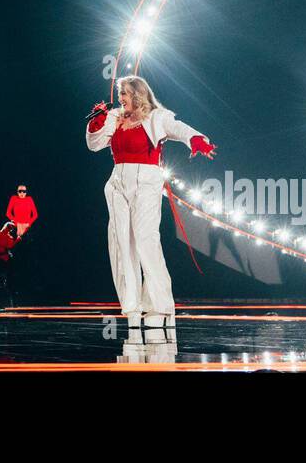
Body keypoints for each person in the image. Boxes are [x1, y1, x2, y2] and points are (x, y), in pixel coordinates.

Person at [86, 75, 216, 334]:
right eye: (120, 94)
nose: (120, 98)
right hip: (118, 183)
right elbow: (94, 144)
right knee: (122, 243)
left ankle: (160, 307)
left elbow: (180, 129)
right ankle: (132, 308)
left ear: (137, 94)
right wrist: (97, 122)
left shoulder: (156, 117)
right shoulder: (115, 117)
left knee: (146, 240)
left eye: (124, 93)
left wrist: (197, 141)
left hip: (146, 180)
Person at [0, 221, 19, 309]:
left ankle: (11, 302)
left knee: (8, 280)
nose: (9, 230)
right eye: (9, 227)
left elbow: (9, 246)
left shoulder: (8, 237)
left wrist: (16, 240)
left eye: (10, 229)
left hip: (6, 259)